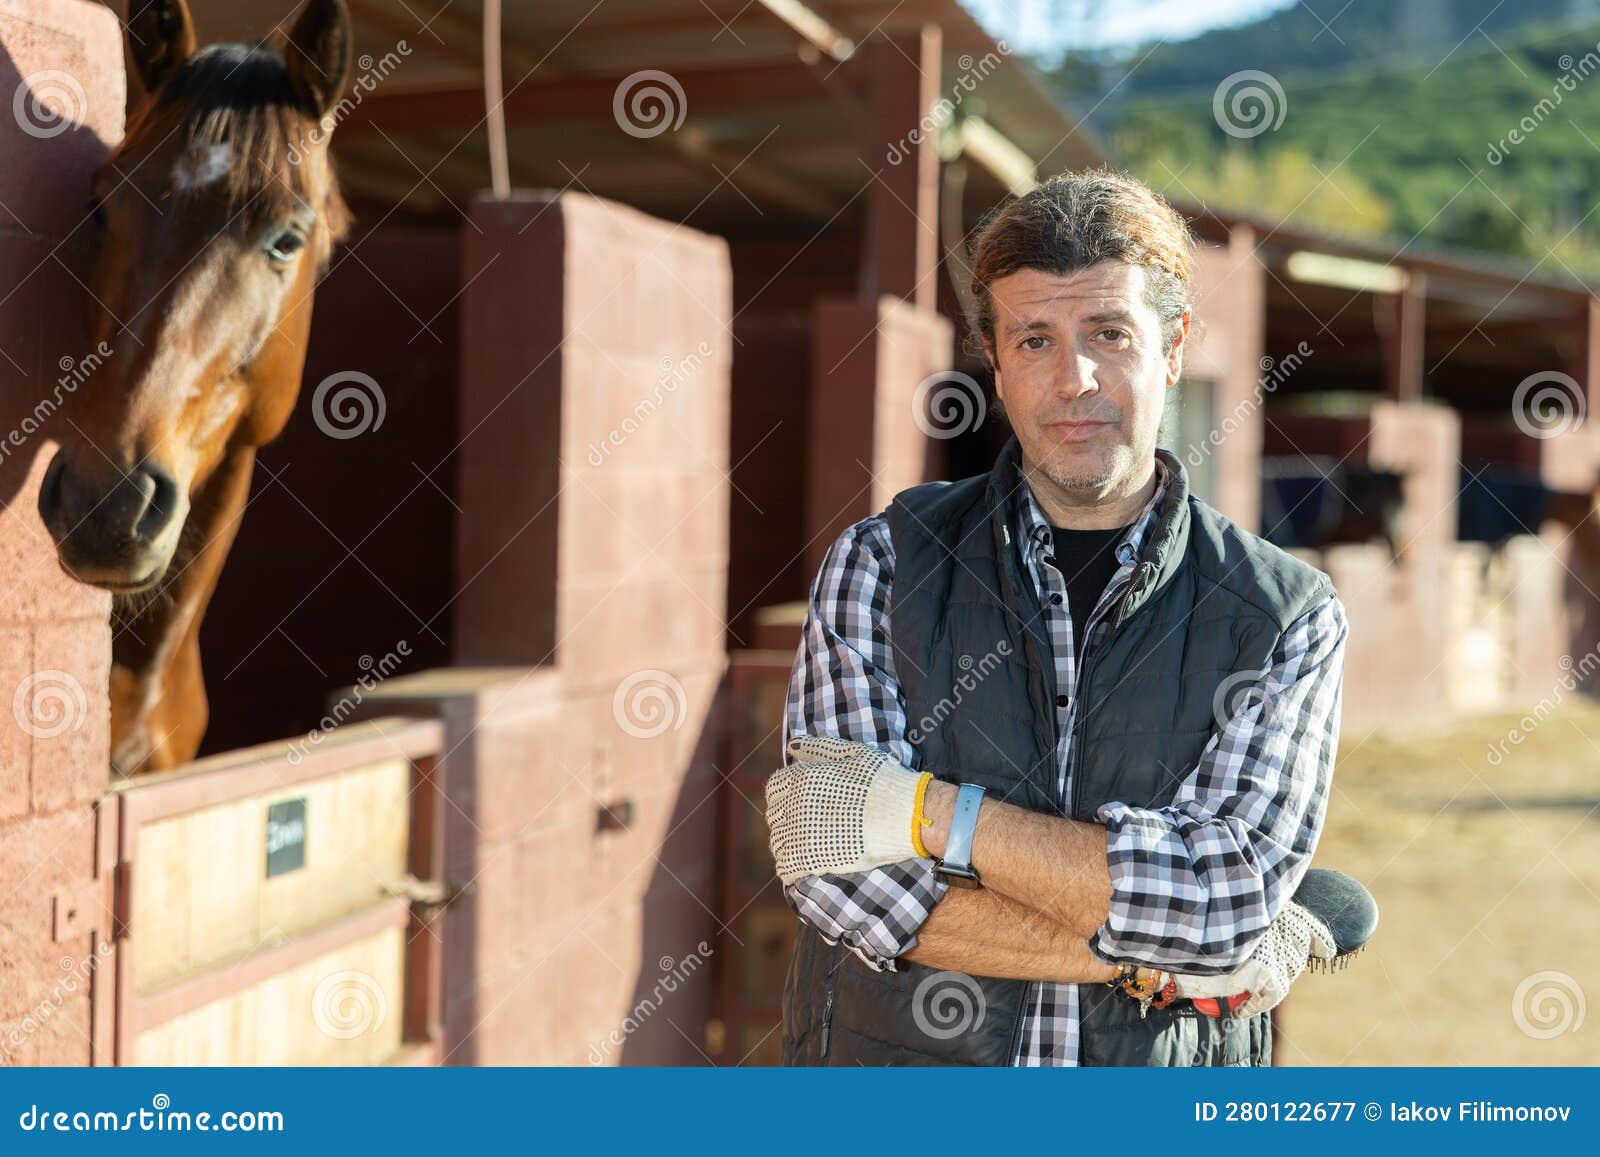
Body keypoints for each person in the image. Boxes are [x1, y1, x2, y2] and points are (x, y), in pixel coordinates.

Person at [765, 169, 1349, 1067]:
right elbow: (845, 877)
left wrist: (928, 815)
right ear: (996, 366)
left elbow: (1222, 901)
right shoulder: (882, 564)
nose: (1073, 379)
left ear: (1175, 345)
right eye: (1034, 339)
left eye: (1108, 333)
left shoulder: (1285, 617)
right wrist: (1177, 964)